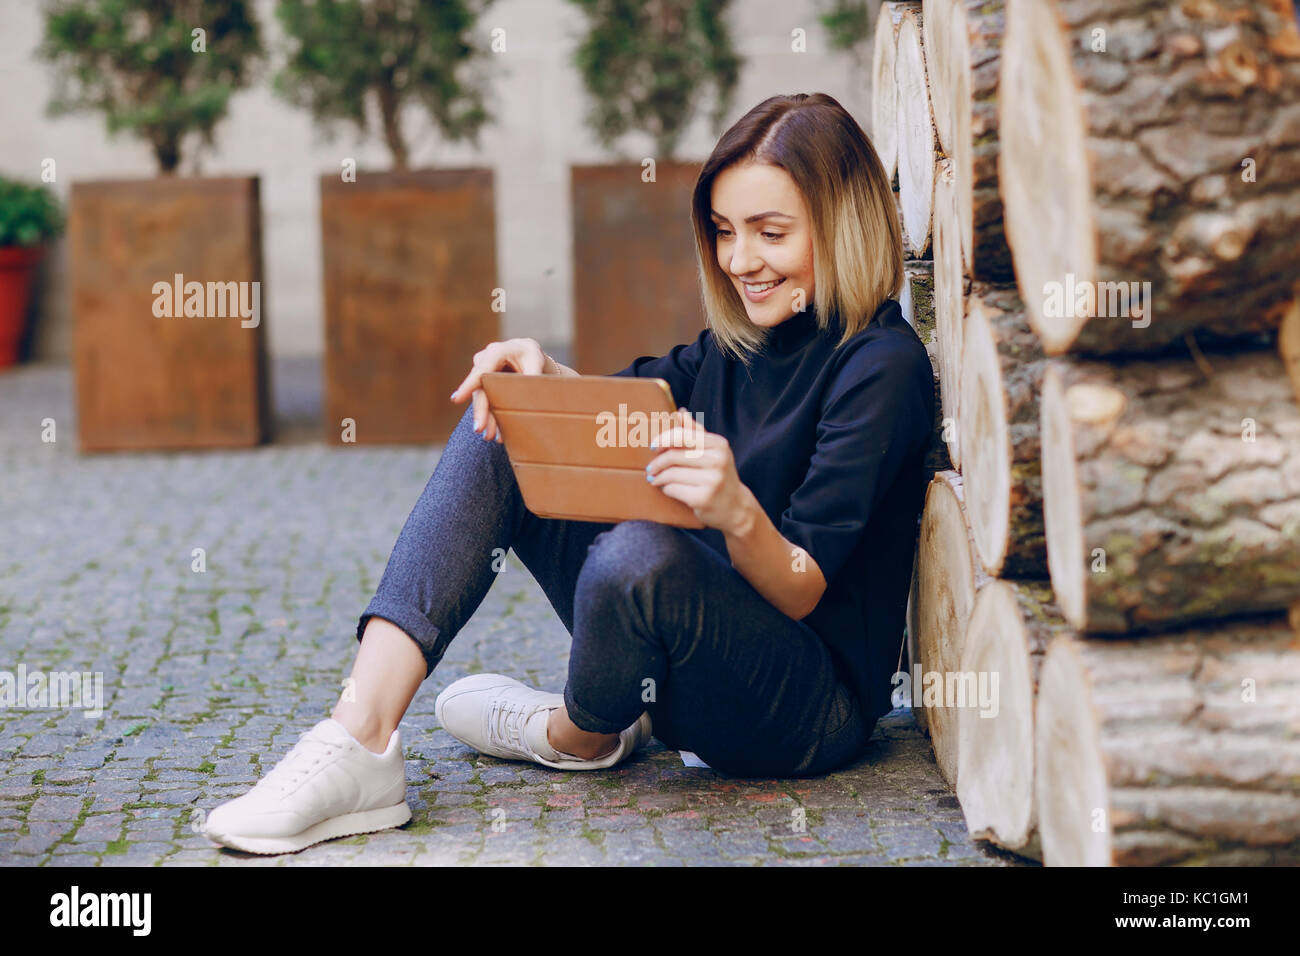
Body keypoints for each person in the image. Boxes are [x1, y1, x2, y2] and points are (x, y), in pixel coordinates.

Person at [203, 92, 936, 855]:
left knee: (642, 555)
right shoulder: (743, 344)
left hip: (805, 713)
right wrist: (543, 380)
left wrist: (737, 513)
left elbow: (803, 581)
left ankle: (579, 731)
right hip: (691, 653)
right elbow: (612, 411)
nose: (739, 260)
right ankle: (359, 735)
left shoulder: (882, 367)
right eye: (723, 232)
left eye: (770, 233)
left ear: (842, 223)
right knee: (505, 428)